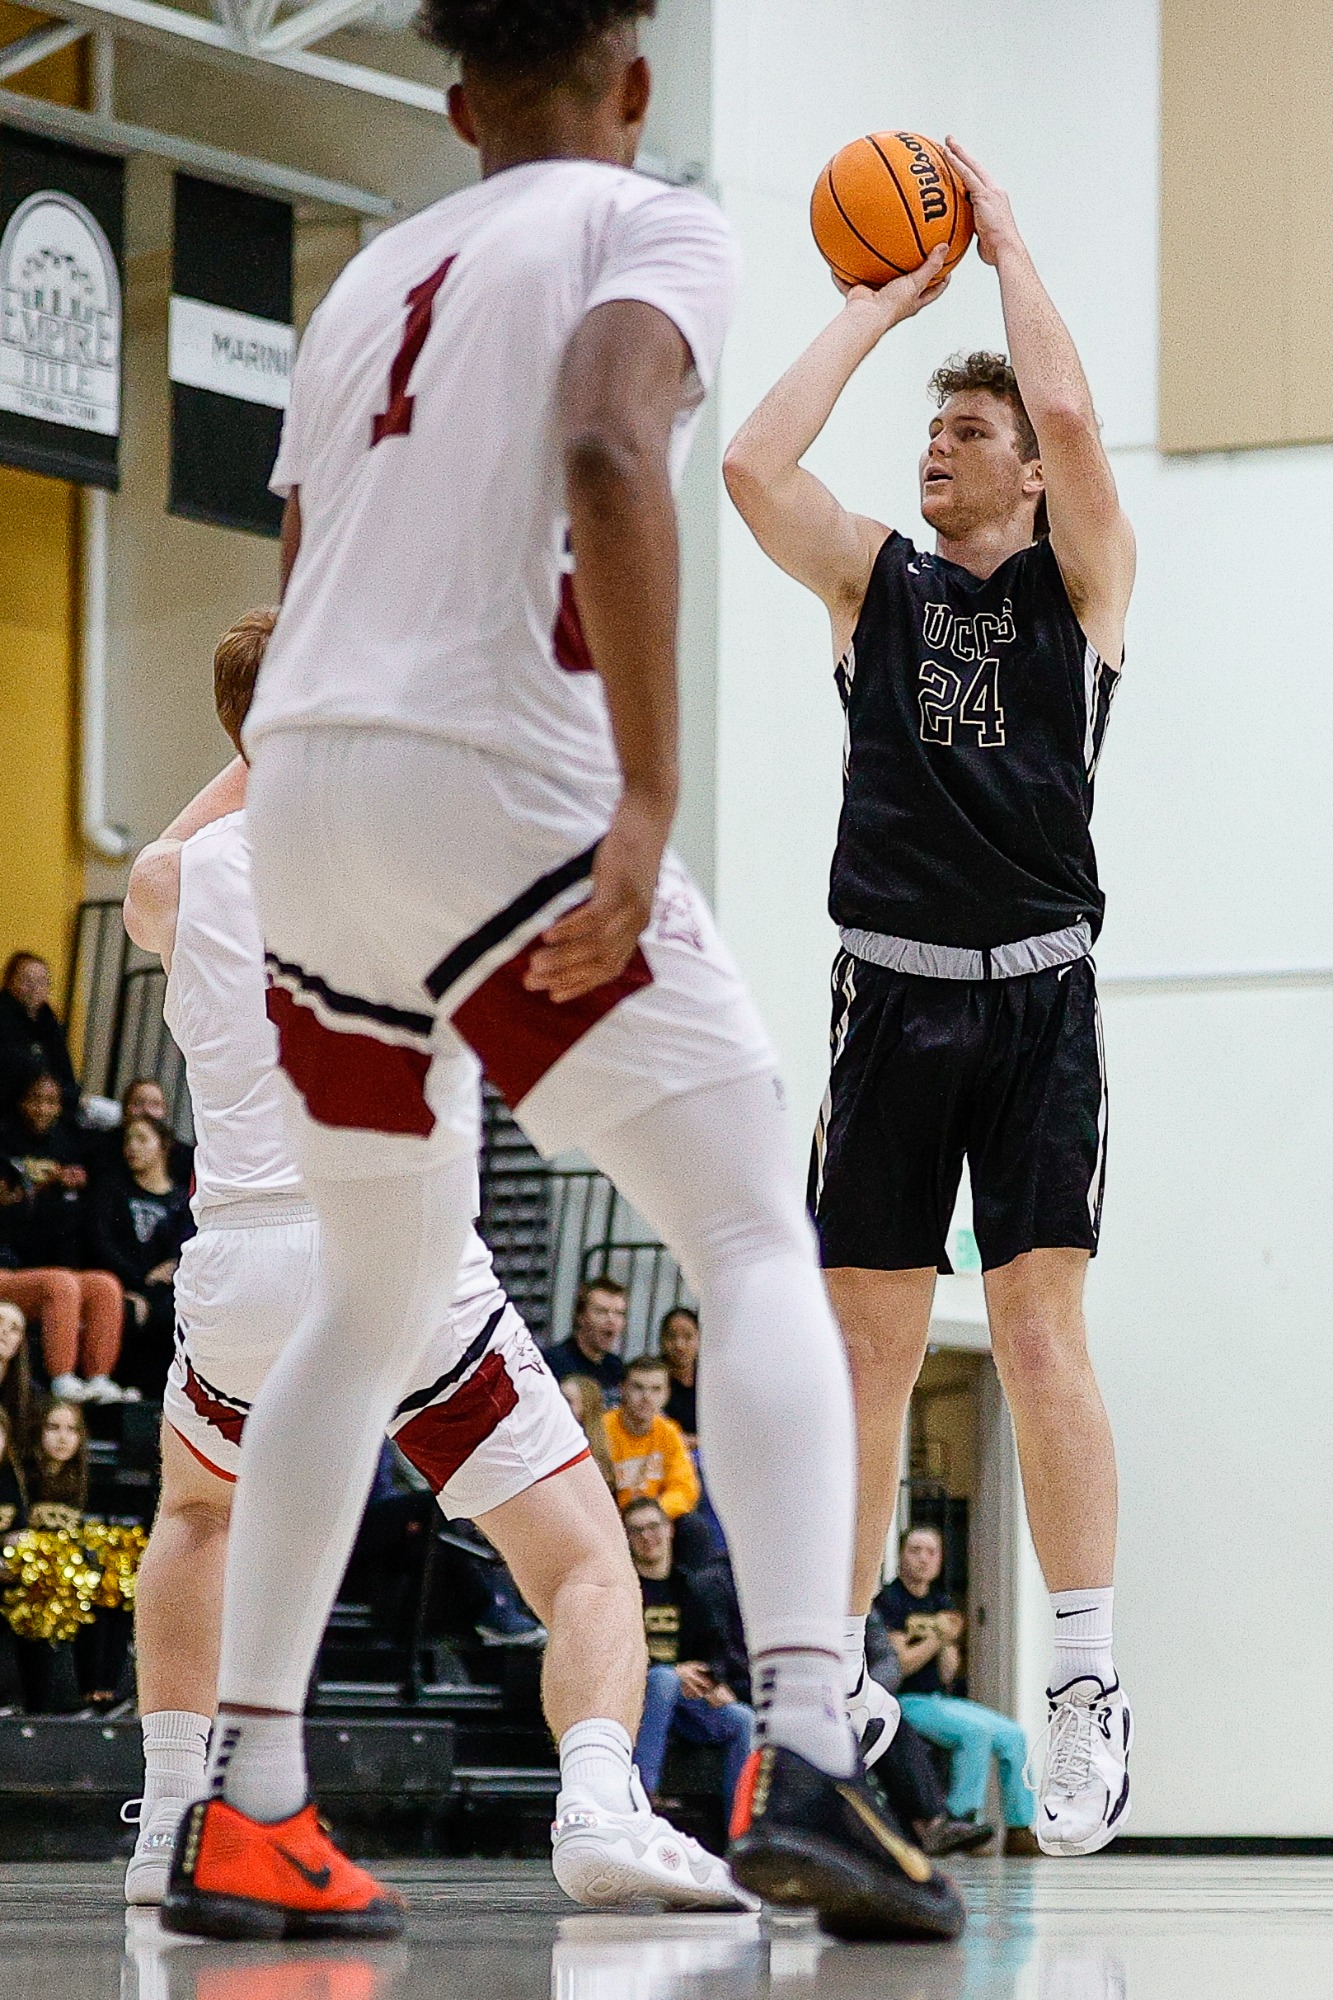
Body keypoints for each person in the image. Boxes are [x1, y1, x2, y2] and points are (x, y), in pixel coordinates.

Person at [162, 0, 962, 1948]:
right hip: (489, 780)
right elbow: (611, 436)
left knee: (368, 1294)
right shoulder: (643, 216)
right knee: (752, 1215)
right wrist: (650, 791)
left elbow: (302, 553)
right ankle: (807, 1749)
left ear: (449, 102)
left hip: (312, 803)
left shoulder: (364, 284)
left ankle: (243, 1803)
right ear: (627, 82)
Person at [120, 610, 747, 1916]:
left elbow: (200, 824)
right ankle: (596, 1802)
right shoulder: (413, 845)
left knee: (193, 1517)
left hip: (236, 1271)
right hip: (394, 1261)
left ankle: (174, 1819)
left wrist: (271, 729)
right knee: (582, 1561)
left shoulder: (174, 882)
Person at [723, 138, 1134, 1858]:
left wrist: (1011, 245)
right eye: (934, 431)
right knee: (859, 1359)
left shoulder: (1081, 585)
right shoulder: (867, 581)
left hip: (1036, 1005)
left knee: (1039, 1336)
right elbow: (751, 459)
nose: (938, 444)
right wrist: (879, 311)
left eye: (971, 432)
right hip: (884, 1003)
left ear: (1030, 476)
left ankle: (1084, 1683)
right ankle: (829, 1689)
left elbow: (1077, 418)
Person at [879, 1526, 1036, 1856]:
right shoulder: (889, 1602)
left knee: (1012, 1735)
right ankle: (960, 1820)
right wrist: (939, 1634)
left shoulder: (940, 1600)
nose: (923, 1559)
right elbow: (901, 1665)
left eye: (931, 1552)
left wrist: (947, 1641)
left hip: (939, 1698)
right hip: (905, 1700)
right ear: (901, 1555)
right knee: (974, 1734)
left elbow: (949, 1672)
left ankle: (1022, 1830)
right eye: (915, 1550)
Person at [624, 1497, 754, 1815]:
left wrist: (712, 1680)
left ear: (669, 1530)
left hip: (683, 1700)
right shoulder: (623, 1589)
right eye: (636, 1530)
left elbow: (713, 1647)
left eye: (653, 1527)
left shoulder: (691, 1587)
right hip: (632, 1695)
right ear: (626, 1538)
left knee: (743, 1719)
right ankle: (642, 1798)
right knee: (664, 1678)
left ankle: (739, 1835)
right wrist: (669, 1671)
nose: (646, 1537)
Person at [0, 1087, 127, 1404]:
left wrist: (45, 1193)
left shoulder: (24, 1199)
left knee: (103, 1285)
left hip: (20, 1272)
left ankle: (99, 1379)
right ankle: (62, 1379)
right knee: (60, 1283)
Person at [90, 1117, 194, 1400]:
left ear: (163, 1146)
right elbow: (102, 1244)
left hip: (162, 1292)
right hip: (119, 1283)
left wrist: (153, 1286)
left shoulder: (181, 1201)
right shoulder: (112, 1188)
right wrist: (139, 1282)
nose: (132, 1147)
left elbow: (179, 1258)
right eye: (128, 1140)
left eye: (142, 1139)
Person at [603, 1354, 699, 1517]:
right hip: (611, 1519)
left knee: (693, 1526)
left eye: (656, 1389)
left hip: (655, 1516)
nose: (646, 1397)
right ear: (622, 1389)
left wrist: (653, 1513)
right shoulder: (602, 1429)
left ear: (667, 1394)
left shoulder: (669, 1431)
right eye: (638, 1387)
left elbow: (684, 1489)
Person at [0, 954, 78, 1119]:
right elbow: (17, 1067)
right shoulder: (4, 1019)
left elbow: (66, 1073)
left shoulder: (50, 1023)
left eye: (42, 981)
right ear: (9, 982)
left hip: (52, 1106)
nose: (35, 987)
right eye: (27, 980)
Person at [544, 1278, 629, 1401]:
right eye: (601, 1312)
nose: (611, 1320)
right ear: (580, 1316)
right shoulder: (552, 1362)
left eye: (619, 1313)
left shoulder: (615, 1367)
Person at [558, 1374, 618, 1492]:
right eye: (557, 1397)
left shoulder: (595, 1459)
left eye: (568, 1401)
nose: (559, 1404)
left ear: (586, 1410)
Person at [658, 1304, 699, 1442]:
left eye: (687, 1337)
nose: (679, 1345)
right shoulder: (653, 1376)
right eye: (672, 1336)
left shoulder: (710, 1379)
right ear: (662, 1339)